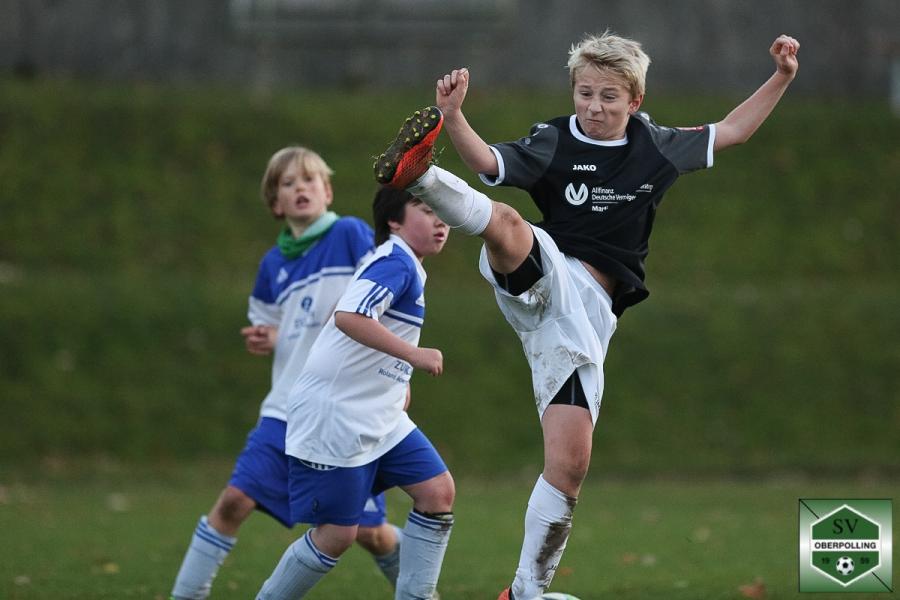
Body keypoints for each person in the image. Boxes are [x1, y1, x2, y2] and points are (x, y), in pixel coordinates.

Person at [374, 32, 800, 599]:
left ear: (634, 102)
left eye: (607, 97)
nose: (593, 107)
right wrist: (453, 118)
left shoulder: (657, 146)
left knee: (571, 464)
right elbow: (488, 162)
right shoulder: (554, 138)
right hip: (549, 273)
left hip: (587, 318)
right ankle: (418, 175)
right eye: (584, 93)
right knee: (506, 224)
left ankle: (526, 589)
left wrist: (782, 77)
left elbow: (734, 130)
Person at [171, 146, 403, 599]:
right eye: (289, 183)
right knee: (233, 501)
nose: (301, 189)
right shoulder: (272, 266)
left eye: (310, 180)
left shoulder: (352, 235)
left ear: (328, 192)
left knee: (368, 533)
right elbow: (285, 327)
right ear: (275, 202)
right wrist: (271, 339)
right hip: (286, 408)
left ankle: (418, 590)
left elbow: (383, 306)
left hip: (345, 413)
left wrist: (396, 373)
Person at [256, 187, 453, 600]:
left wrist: (397, 378)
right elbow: (349, 317)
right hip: (337, 416)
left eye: (443, 213)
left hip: (379, 413)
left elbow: (342, 316)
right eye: (426, 210)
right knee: (337, 535)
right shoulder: (395, 261)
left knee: (437, 491)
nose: (441, 220)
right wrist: (413, 356)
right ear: (394, 222)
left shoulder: (400, 263)